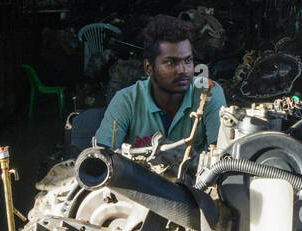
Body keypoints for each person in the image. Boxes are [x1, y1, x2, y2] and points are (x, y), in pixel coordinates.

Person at [96, 14, 226, 151]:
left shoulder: (208, 92)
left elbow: (224, 156)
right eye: (171, 62)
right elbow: (101, 159)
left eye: (188, 60)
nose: (183, 70)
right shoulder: (125, 101)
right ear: (149, 68)